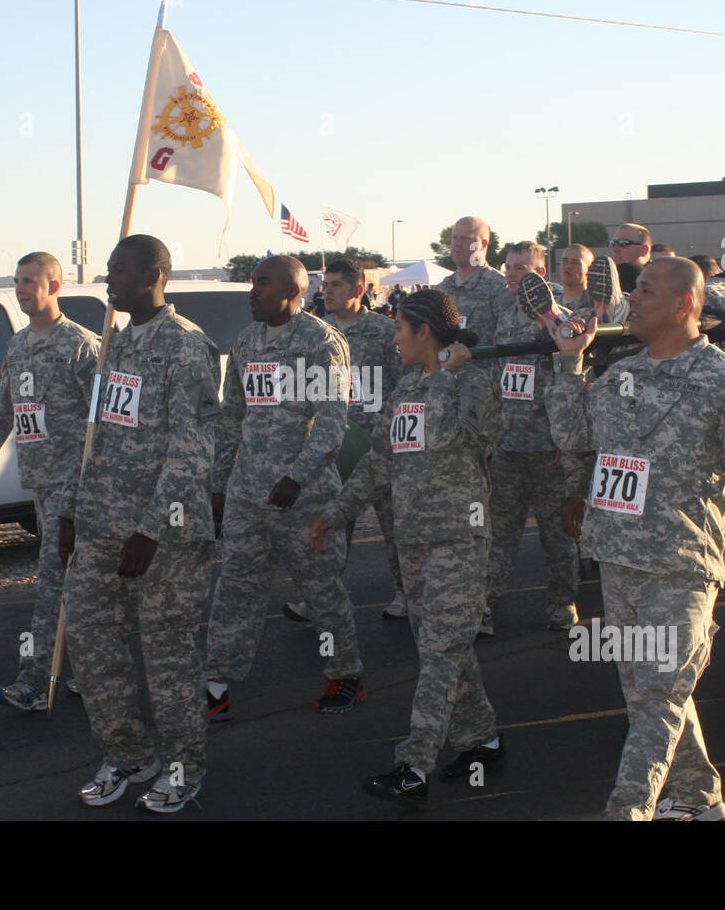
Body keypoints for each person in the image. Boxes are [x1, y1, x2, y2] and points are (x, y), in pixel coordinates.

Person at [546, 256, 725, 820]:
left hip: (682, 564)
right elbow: (574, 436)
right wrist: (568, 365)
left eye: (647, 290)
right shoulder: (622, 372)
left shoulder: (724, 382)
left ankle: (628, 810)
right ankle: (700, 799)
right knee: (649, 696)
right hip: (618, 557)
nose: (632, 297)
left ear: (684, 304)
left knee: (659, 700)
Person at [313, 288, 503, 809]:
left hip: (458, 540)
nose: (394, 338)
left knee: (440, 653)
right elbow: (378, 462)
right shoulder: (407, 387)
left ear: (424, 332)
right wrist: (335, 513)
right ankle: (482, 738)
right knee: (445, 648)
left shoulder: (472, 382)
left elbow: (460, 438)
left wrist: (447, 375)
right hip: (414, 540)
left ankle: (413, 766)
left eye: (400, 329)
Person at [62, 234, 221, 813]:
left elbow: (194, 448)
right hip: (102, 526)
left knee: (168, 655)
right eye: (108, 271)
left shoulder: (186, 348)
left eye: (119, 271)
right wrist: (72, 513)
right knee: (89, 640)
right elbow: (95, 440)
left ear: (154, 275)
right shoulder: (113, 347)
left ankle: (183, 767)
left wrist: (151, 529)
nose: (109, 281)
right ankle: (127, 754)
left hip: (164, 536)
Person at [205, 255, 364, 720]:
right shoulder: (247, 342)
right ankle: (218, 683)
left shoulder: (319, 342)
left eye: (262, 283)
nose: (252, 291)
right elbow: (232, 415)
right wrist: (219, 482)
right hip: (248, 494)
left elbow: (334, 422)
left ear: (293, 291)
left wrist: (296, 476)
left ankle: (345, 672)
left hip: (305, 496)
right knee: (235, 587)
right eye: (252, 282)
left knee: (321, 591)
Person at [0, 251, 98, 711]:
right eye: (17, 281)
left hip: (73, 483)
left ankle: (37, 681)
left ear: (54, 286)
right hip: (39, 481)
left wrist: (87, 488)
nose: (22, 289)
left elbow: (103, 423)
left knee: (51, 582)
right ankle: (96, 670)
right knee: (76, 582)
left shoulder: (81, 347)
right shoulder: (19, 345)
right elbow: (4, 405)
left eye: (31, 281)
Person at [283, 258, 406, 622]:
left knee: (394, 524)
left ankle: (406, 592)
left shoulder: (385, 333)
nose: (327, 291)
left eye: (336, 284)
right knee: (331, 525)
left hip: (380, 444)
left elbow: (405, 384)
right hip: (336, 444)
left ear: (357, 289)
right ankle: (321, 599)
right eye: (325, 284)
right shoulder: (319, 334)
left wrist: (389, 429)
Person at [486, 242, 583, 634]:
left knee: (557, 534)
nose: (510, 274)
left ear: (541, 275)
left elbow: (576, 378)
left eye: (521, 268)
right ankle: (484, 603)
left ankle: (563, 601)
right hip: (508, 447)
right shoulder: (506, 314)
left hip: (549, 449)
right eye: (507, 267)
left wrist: (567, 443)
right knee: (499, 532)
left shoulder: (561, 317)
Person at [435, 215, 509, 372]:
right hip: (445, 382)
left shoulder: (501, 288)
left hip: (485, 384)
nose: (457, 244)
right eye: (454, 238)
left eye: (465, 239)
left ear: (483, 244)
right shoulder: (441, 290)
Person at [610, 222, 653, 292]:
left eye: (623, 244)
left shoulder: (657, 281)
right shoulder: (609, 279)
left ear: (644, 250)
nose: (615, 250)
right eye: (613, 244)